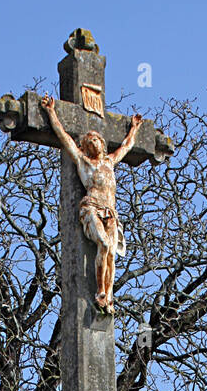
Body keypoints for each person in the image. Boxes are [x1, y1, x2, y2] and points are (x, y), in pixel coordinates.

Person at [41, 95, 142, 312]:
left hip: (110, 212)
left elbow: (127, 146)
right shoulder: (83, 160)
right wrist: (51, 113)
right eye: (89, 141)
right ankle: (100, 291)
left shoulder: (109, 161)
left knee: (112, 253)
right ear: (85, 146)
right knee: (104, 245)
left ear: (102, 144)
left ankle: (108, 294)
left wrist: (134, 128)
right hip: (91, 207)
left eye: (96, 139)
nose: (93, 142)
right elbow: (64, 137)